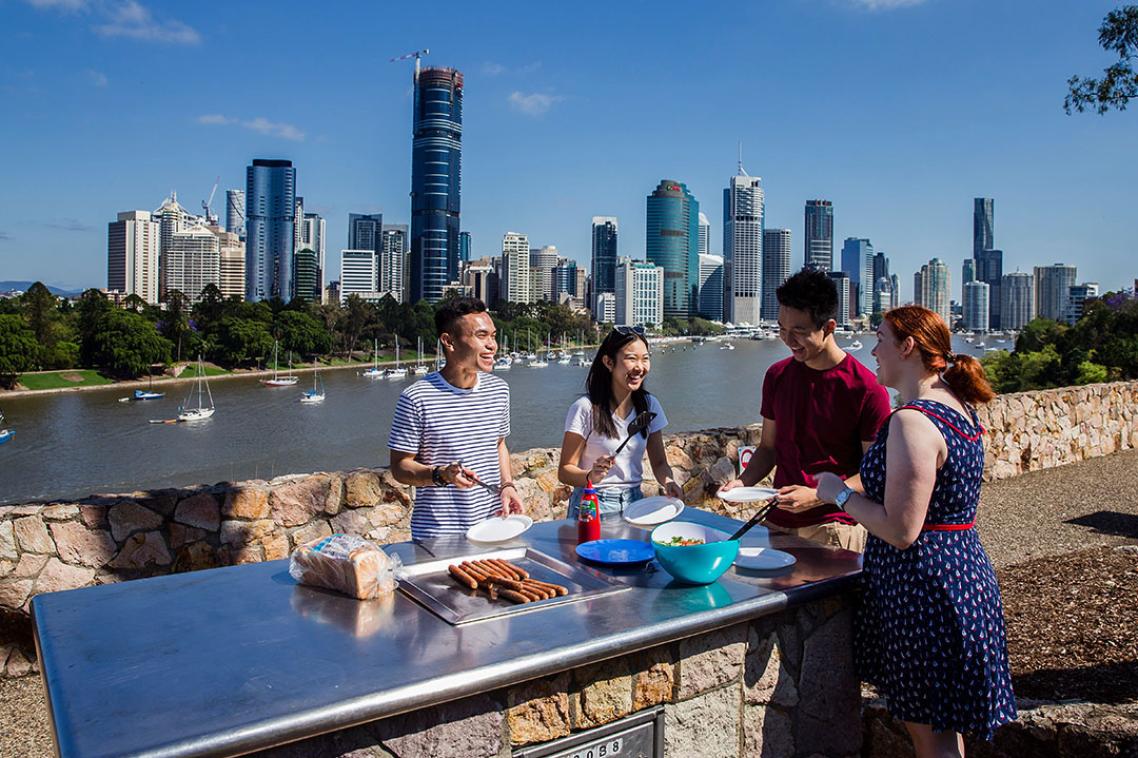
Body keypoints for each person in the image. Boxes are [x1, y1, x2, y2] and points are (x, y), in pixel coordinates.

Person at [814, 305, 1016, 756]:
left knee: (930, 736)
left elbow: (902, 529)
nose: (873, 349)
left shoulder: (912, 421)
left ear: (907, 347)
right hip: (964, 575)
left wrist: (837, 494)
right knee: (945, 731)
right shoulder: (961, 408)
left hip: (923, 591)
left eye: (881, 339)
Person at [719, 269, 891, 552]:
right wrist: (741, 482)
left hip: (834, 526)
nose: (788, 339)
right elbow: (768, 448)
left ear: (829, 327)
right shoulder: (777, 376)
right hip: (776, 521)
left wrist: (817, 496)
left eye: (799, 331)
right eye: (782, 329)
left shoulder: (867, 389)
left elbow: (873, 473)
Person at [388, 297, 524, 539]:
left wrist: (507, 485)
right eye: (482, 336)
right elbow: (399, 467)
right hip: (439, 534)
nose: (492, 345)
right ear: (449, 341)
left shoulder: (499, 390)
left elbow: (499, 444)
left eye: (493, 336)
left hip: (494, 526)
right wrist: (441, 475)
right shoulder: (416, 397)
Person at [558, 325, 683, 518]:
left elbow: (659, 463)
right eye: (631, 358)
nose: (640, 367)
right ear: (608, 362)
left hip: (635, 503)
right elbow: (565, 471)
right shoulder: (585, 408)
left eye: (645, 358)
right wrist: (590, 475)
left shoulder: (650, 405)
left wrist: (669, 482)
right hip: (593, 503)